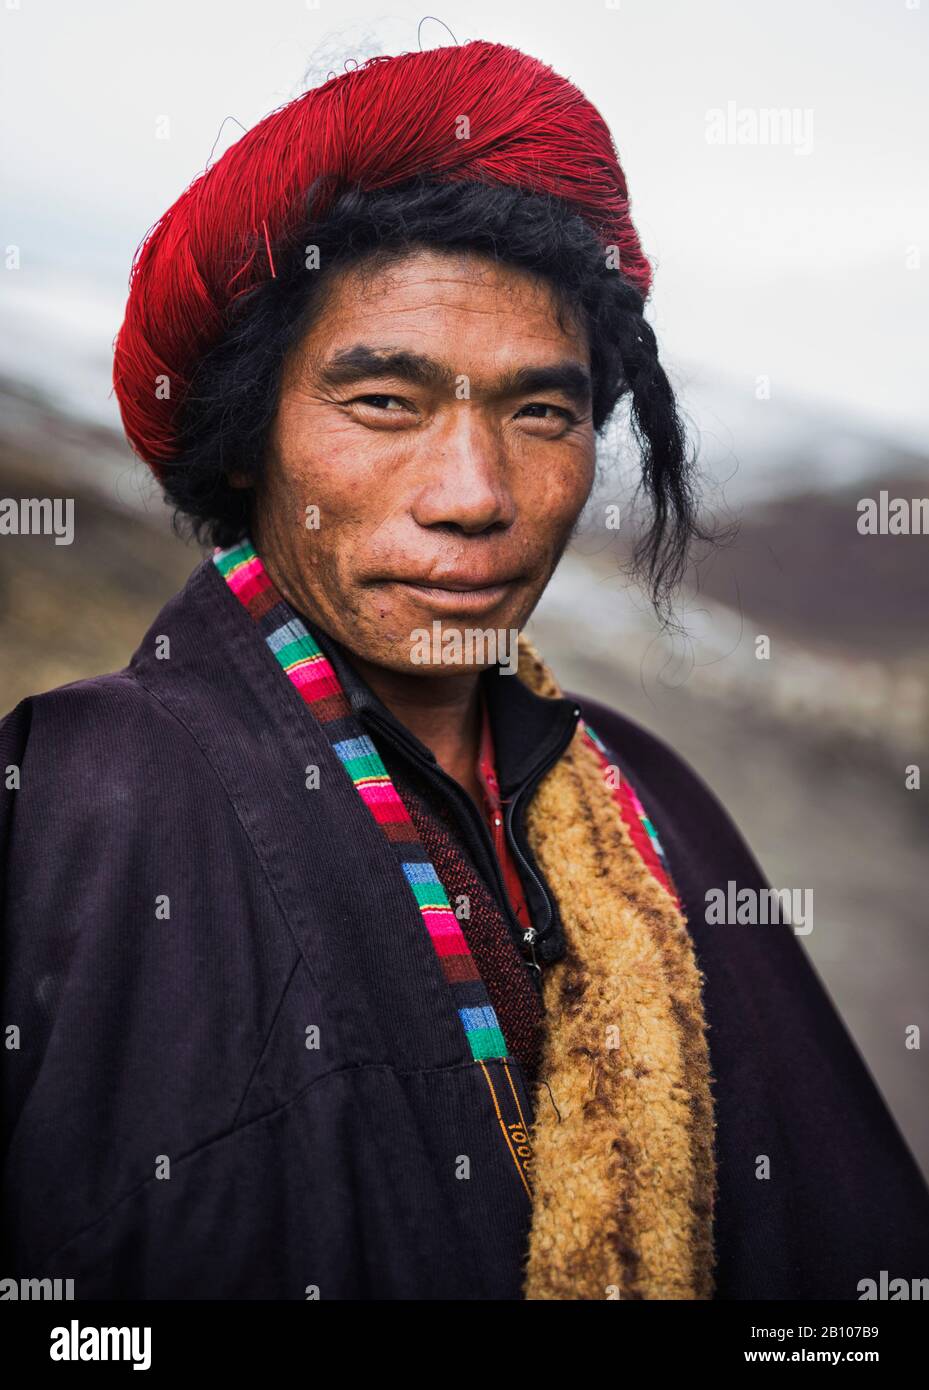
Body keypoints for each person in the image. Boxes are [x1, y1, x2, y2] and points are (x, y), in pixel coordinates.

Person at [2, 40, 927, 1301]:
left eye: (540, 413)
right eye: (383, 402)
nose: (473, 495)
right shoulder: (81, 800)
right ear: (242, 439)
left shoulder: (654, 804)